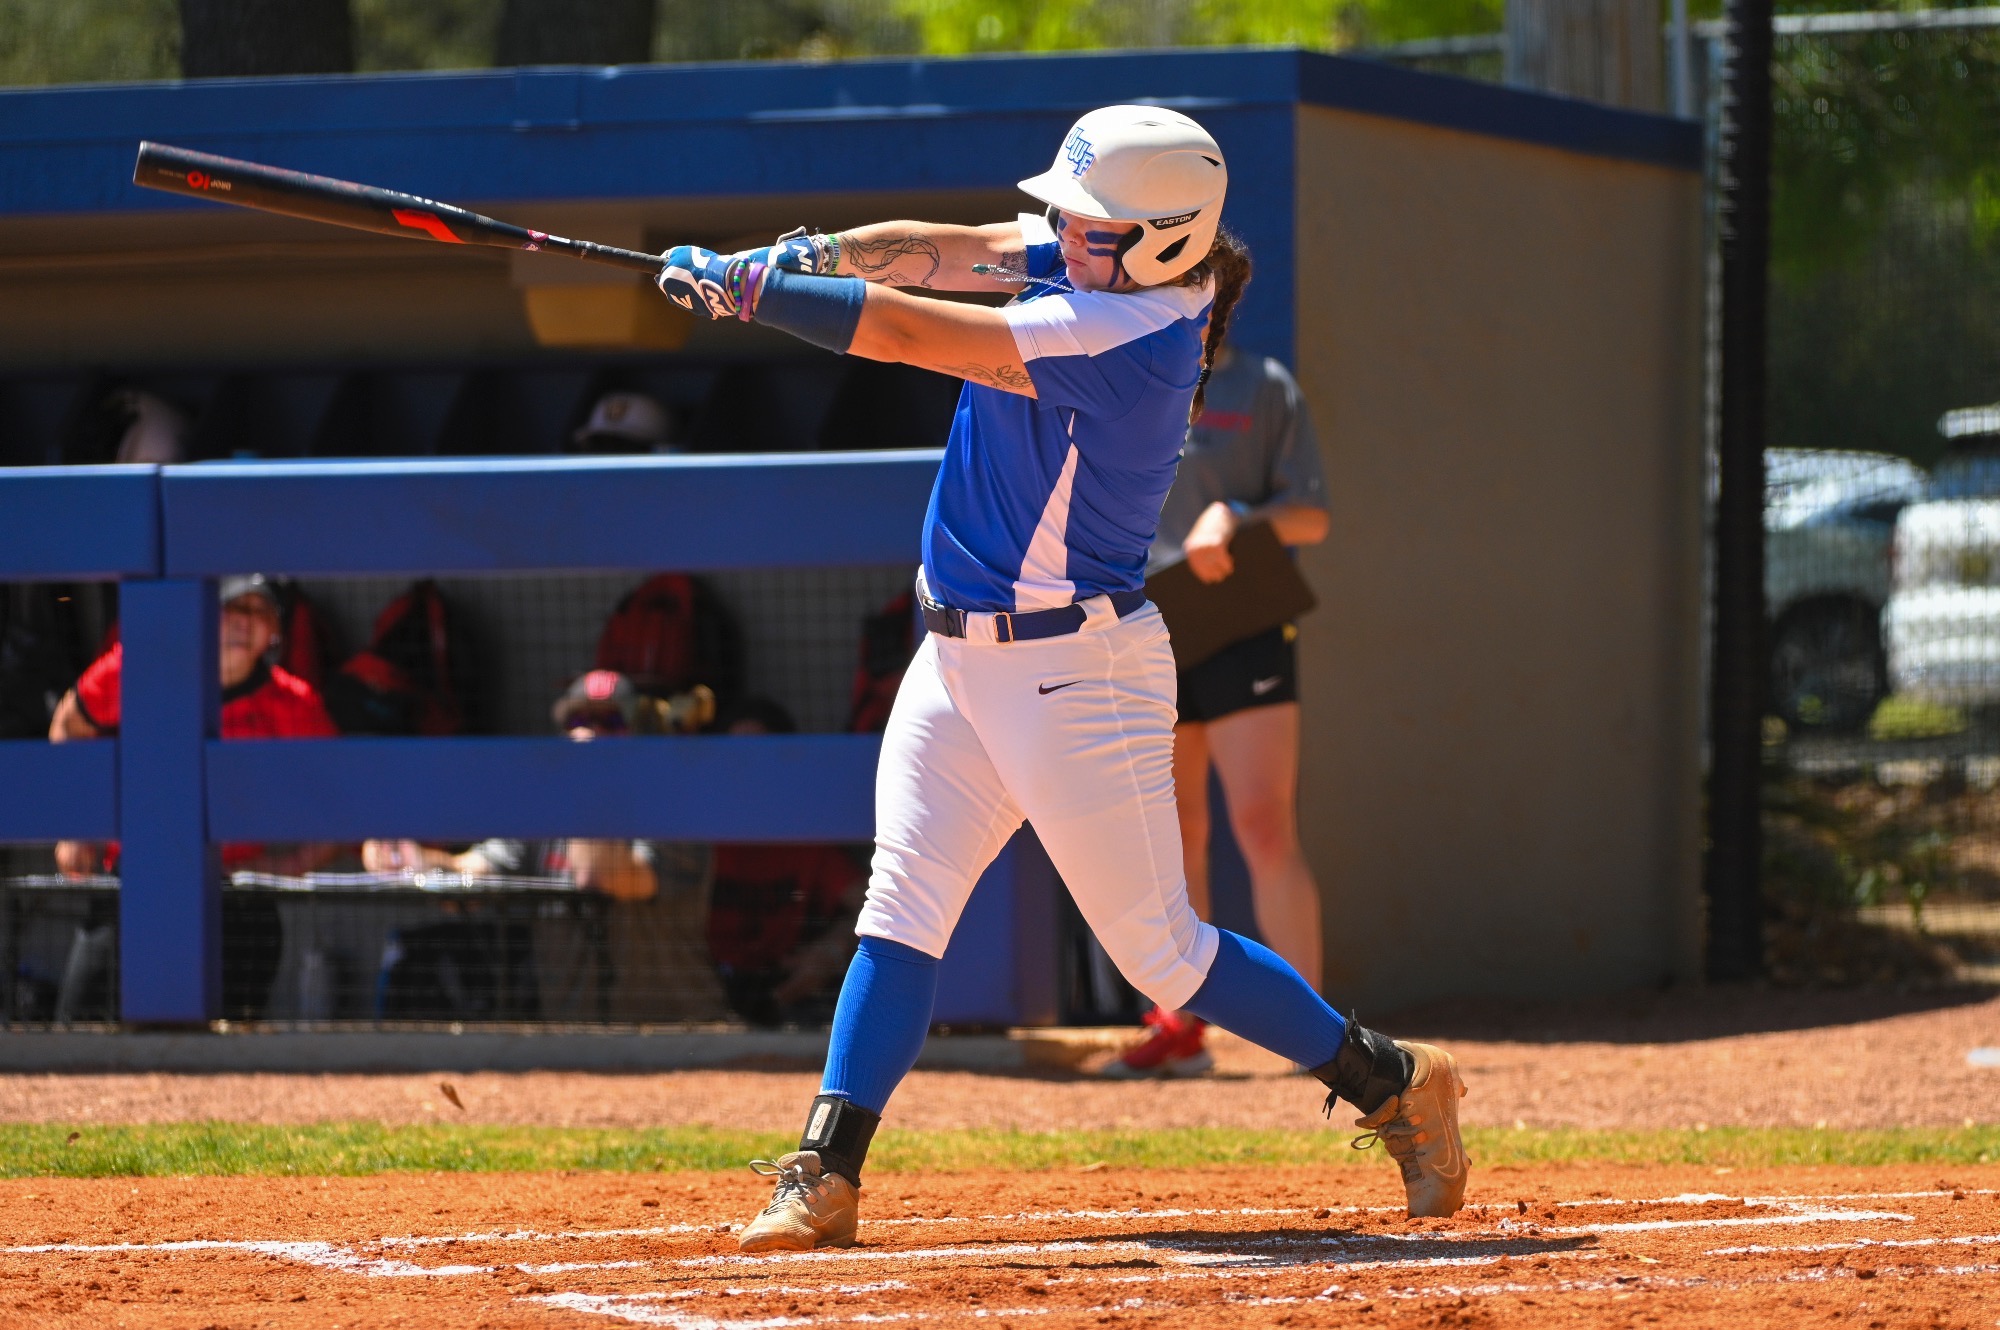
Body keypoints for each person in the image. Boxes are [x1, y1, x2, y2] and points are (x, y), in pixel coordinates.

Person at [654, 104, 1469, 1251]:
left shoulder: (1128, 339)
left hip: (1073, 674)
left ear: (1164, 241)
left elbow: (906, 332)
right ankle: (823, 1175)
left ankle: (1393, 1081)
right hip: (955, 661)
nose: (1061, 232)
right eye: (1070, 216)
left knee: (1163, 954)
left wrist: (756, 297)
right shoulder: (1091, 254)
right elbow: (947, 250)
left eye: (1091, 224)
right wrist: (797, 256)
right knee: (900, 907)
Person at [1102, 341, 1331, 1079]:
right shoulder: (1117, 369)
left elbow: (1312, 517)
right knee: (1172, 836)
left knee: (1264, 825)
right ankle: (1180, 1029)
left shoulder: (1263, 385)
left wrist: (1233, 516)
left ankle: (1319, 1040)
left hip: (1240, 623)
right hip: (1143, 627)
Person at [362, 669, 729, 1023]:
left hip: (682, 1042)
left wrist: (590, 768)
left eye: (611, 721)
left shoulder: (675, 811)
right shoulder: (545, 813)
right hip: (577, 1053)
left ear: (639, 734)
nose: (590, 732)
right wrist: (413, 861)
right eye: (579, 720)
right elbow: (468, 879)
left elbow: (599, 875)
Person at [49, 574, 339, 1019]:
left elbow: (340, 802)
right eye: (233, 609)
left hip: (237, 895)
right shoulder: (141, 667)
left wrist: (287, 866)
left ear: (276, 630)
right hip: (136, 881)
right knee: (80, 1028)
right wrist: (78, 829)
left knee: (226, 1047)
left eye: (260, 611)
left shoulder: (294, 703)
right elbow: (70, 724)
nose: (245, 622)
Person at [705, 699, 868, 1026]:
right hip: (698, 995)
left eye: (760, 758)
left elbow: (874, 905)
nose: (747, 772)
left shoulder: (804, 843)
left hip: (784, 994)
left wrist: (830, 953)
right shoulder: (699, 840)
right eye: (736, 759)